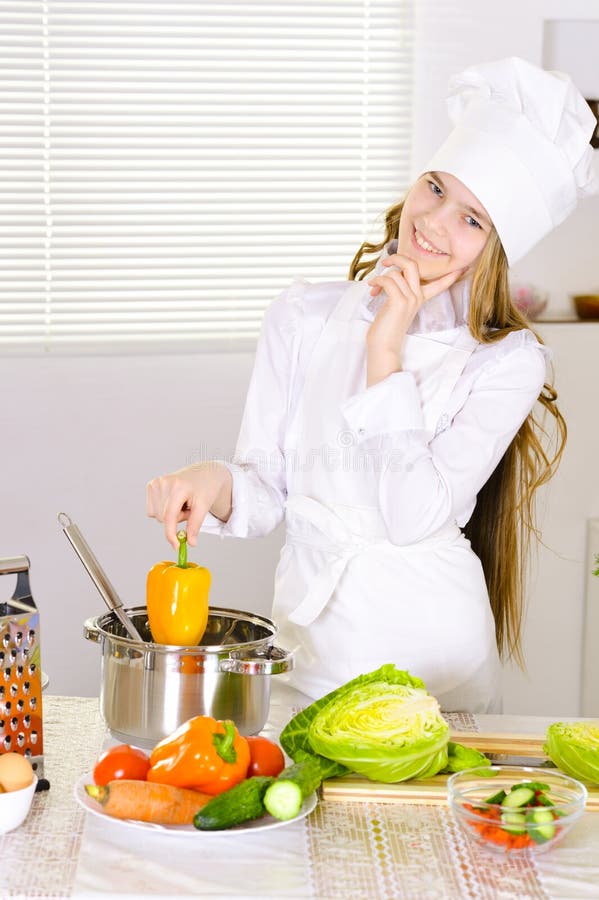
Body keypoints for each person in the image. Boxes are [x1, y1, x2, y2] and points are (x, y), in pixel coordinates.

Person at [146, 57, 598, 712]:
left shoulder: (505, 362)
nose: (434, 222)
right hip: (310, 648)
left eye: (471, 219)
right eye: (435, 188)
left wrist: (385, 345)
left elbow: (412, 517)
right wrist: (207, 479)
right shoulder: (302, 315)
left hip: (431, 661)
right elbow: (267, 487)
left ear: (496, 245)